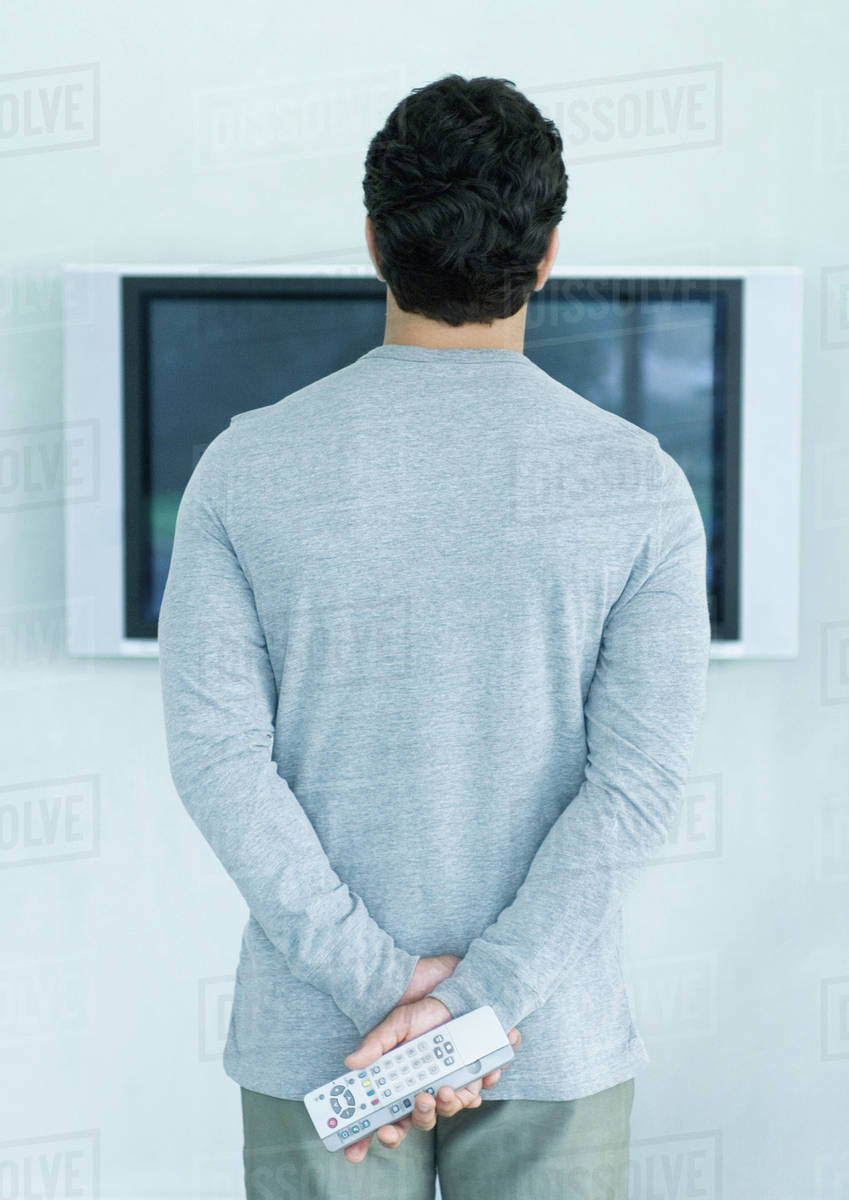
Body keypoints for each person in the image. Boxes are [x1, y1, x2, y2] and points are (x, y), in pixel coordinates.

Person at [158, 72, 711, 1200]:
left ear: (374, 241)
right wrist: (475, 1006)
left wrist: (390, 991)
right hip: (549, 1034)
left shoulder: (242, 468)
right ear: (548, 253)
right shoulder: (639, 484)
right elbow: (640, 787)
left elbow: (220, 763)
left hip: (326, 1042)